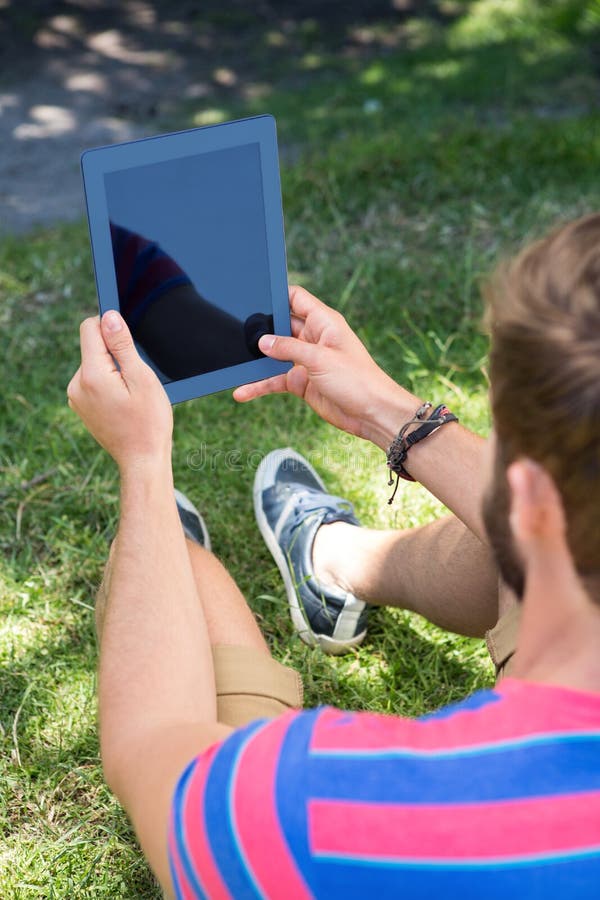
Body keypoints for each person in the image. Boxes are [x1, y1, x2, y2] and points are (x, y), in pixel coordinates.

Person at [67, 214, 600, 898]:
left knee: (178, 570)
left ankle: (200, 550)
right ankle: (334, 561)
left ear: (530, 499)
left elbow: (150, 745)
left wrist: (143, 465)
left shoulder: (311, 809)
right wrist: (386, 410)